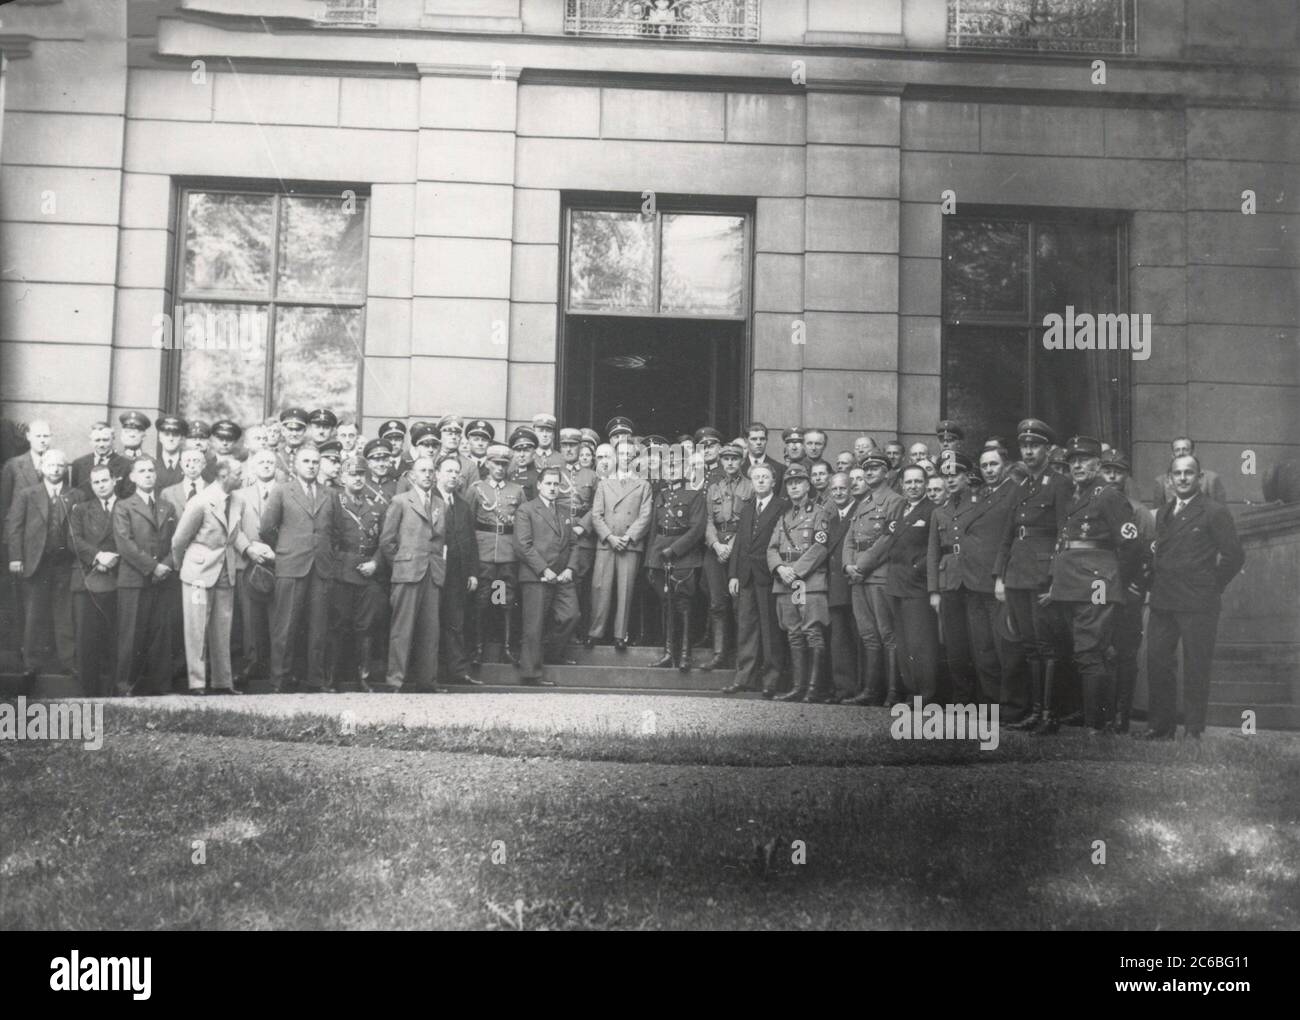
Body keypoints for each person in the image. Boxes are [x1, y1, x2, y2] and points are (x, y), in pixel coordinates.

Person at [1044, 436, 1144, 735]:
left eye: (1084, 460)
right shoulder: (1078, 495)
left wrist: (1116, 582)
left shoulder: (1108, 495)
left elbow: (1131, 543)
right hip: (1072, 584)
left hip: (1097, 584)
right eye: (1072, 461)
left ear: (1097, 464)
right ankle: (1089, 720)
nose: (1077, 466)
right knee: (1082, 650)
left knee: (1090, 650)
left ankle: (1094, 725)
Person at [1141, 453, 1244, 740]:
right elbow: (1157, 554)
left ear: (1199, 478)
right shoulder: (1163, 513)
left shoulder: (1213, 511)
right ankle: (1160, 727)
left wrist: (1212, 586)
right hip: (1163, 600)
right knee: (1158, 661)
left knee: (1196, 665)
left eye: (1189, 473)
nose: (1183, 478)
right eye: (1177, 473)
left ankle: (1193, 728)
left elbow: (1235, 556)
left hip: (1199, 602)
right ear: (1170, 479)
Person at [995, 419, 1072, 731]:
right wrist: (999, 575)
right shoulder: (1021, 486)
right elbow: (1008, 534)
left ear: (1048, 449)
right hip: (1016, 574)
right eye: (1024, 446)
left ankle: (1048, 715)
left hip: (1041, 574)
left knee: (1046, 645)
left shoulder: (1059, 484)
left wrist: (1055, 579)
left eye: (1035, 445)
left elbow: (1064, 533)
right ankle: (1034, 711)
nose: (1028, 451)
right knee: (1028, 645)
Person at [260, 444, 341, 693]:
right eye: (306, 461)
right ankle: (279, 680)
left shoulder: (330, 494)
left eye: (315, 462)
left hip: (321, 568)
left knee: (319, 627)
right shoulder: (282, 491)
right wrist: (287, 549)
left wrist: (323, 553)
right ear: (295, 464)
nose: (311, 466)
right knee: (285, 626)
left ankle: (316, 680)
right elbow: (266, 529)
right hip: (291, 565)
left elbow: (336, 531)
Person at [172, 456, 256, 695]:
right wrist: (185, 569)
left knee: (222, 628)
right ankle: (197, 683)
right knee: (197, 628)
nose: (243, 477)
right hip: (198, 573)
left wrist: (248, 549)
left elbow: (235, 532)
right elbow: (179, 540)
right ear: (222, 476)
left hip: (225, 571)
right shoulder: (200, 502)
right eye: (238, 473)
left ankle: (222, 682)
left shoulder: (238, 500)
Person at [6, 449, 78, 685]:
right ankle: (31, 664)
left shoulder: (76, 495)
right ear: (42, 469)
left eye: (60, 465)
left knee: (64, 613)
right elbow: (14, 527)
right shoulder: (28, 494)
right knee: (34, 613)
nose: (55, 469)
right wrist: (15, 557)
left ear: (65, 469)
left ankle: (68, 662)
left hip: (65, 563)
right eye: (51, 465)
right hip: (36, 562)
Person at [378, 455, 447, 693]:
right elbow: (387, 541)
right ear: (412, 475)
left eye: (431, 471)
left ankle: (427, 682)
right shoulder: (400, 501)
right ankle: (395, 681)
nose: (428, 474)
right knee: (402, 629)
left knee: (431, 631)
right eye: (423, 471)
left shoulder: (439, 503)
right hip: (407, 572)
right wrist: (401, 562)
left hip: (432, 572)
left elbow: (440, 540)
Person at [112, 457, 178, 696]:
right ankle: (125, 687)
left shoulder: (166, 506)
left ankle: (163, 688)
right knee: (131, 636)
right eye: (142, 471)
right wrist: (153, 567)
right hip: (135, 580)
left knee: (162, 634)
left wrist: (167, 565)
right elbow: (125, 544)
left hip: (162, 580)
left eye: (151, 470)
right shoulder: (123, 506)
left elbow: (176, 542)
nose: (148, 474)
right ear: (132, 477)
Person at [843, 452, 905, 705]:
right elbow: (849, 537)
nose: (869, 473)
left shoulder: (895, 500)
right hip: (857, 576)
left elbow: (888, 539)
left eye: (876, 468)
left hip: (878, 574)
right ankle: (871, 691)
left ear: (887, 472)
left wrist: (861, 564)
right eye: (866, 469)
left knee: (887, 633)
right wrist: (848, 564)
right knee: (868, 633)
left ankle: (892, 691)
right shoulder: (862, 502)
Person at [1100, 449, 1155, 732]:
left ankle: (1122, 715)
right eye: (1107, 469)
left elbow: (1148, 554)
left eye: (1117, 471)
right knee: (1099, 650)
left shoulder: (1139, 511)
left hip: (1127, 593)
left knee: (1125, 653)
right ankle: (1101, 713)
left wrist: (1137, 586)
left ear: (1125, 475)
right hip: (1100, 591)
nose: (1111, 475)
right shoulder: (1095, 505)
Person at [768, 464, 832, 702]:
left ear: (808, 485)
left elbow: (820, 547)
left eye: (799, 482)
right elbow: (772, 548)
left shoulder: (819, 513)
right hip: (787, 582)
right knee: (793, 633)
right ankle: (798, 687)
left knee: (812, 631)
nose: (794, 486)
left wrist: (795, 572)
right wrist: (779, 568)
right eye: (790, 483)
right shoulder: (784, 517)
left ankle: (814, 688)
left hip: (808, 582)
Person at [514, 465, 582, 686]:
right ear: (539, 485)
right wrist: (544, 569)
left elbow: (573, 544)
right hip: (536, 576)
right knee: (533, 626)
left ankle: (552, 654)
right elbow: (523, 546)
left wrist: (570, 569)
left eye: (557, 484)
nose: (553, 488)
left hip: (562, 577)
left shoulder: (564, 513)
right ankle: (530, 673)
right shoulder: (527, 509)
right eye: (549, 484)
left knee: (571, 615)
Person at [724, 464, 786, 697]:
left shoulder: (782, 507)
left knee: (770, 630)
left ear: (773, 482)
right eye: (756, 477)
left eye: (765, 477)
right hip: (746, 576)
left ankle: (771, 680)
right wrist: (733, 575)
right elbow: (739, 544)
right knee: (746, 628)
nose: (760, 481)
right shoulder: (748, 508)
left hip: (769, 575)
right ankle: (744, 678)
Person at [644, 442, 706, 672]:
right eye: (667, 466)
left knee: (684, 606)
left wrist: (676, 549)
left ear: (685, 469)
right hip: (660, 556)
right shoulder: (660, 495)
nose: (671, 470)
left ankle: (685, 655)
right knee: (666, 605)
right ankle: (668, 653)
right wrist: (650, 561)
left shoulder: (694, 495)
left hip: (684, 557)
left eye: (676, 465)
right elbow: (653, 529)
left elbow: (697, 529)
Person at [588, 437, 652, 652]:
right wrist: (610, 536)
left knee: (625, 591)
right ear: (616, 457)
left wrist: (629, 537)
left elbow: (645, 515)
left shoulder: (643, 485)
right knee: (600, 588)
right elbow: (596, 515)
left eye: (629, 454)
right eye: (622, 454)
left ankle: (620, 635)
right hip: (607, 543)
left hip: (629, 544)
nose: (625, 458)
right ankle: (595, 632)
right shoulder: (604, 483)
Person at [331, 455, 387, 691]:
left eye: (361, 474)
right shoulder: (335, 502)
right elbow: (329, 539)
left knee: (366, 627)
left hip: (369, 573)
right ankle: (332, 677)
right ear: (343, 477)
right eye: (352, 474)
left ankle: (362, 676)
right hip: (343, 571)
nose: (357, 478)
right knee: (339, 624)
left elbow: (385, 541)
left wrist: (375, 563)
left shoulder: (377, 505)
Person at [886, 464, 939, 704]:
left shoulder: (932, 511)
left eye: (918, 481)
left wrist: (919, 569)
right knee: (904, 642)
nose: (913, 486)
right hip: (897, 583)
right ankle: (911, 691)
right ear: (902, 485)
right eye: (908, 482)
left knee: (921, 642)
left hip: (917, 585)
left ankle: (926, 694)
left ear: (926, 484)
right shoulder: (899, 509)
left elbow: (934, 550)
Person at [468, 444, 525, 665]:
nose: (500, 468)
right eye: (495, 464)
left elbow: (523, 521)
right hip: (484, 554)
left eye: (503, 464)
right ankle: (478, 649)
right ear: (488, 464)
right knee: (482, 600)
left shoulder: (516, 491)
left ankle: (506, 648)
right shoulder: (477, 489)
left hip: (506, 556)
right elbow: (468, 521)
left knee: (503, 599)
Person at [700, 442, 752, 670]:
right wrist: (715, 544)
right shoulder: (714, 488)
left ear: (742, 461)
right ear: (721, 461)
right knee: (717, 603)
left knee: (739, 603)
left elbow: (749, 521)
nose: (730, 462)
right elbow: (708, 520)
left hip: (739, 547)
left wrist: (732, 544)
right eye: (726, 459)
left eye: (735, 458)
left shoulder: (750, 487)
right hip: (716, 547)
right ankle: (719, 653)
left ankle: (742, 656)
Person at [69, 464, 119, 696]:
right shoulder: (81, 509)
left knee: (115, 636)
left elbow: (132, 538)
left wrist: (113, 558)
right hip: (86, 579)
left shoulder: (126, 506)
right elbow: (73, 539)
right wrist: (98, 556)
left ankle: (114, 693)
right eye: (96, 482)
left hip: (118, 578)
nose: (101, 485)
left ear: (114, 481)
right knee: (87, 637)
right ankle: (89, 694)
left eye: (105, 480)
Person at [432, 455, 480, 686]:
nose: (452, 476)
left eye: (456, 472)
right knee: (431, 621)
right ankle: (430, 671)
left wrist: (472, 572)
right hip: (432, 571)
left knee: (455, 622)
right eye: (448, 471)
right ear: (437, 474)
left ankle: (458, 671)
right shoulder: (428, 499)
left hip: (457, 574)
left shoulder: (462, 504)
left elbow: (470, 540)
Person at [236, 449, 278, 688]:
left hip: (276, 562)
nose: (265, 465)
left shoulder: (286, 491)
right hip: (249, 561)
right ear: (252, 467)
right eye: (260, 462)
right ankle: (252, 664)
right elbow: (233, 527)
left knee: (276, 615)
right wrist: (249, 549)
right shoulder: (240, 495)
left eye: (270, 462)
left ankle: (276, 668)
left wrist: (275, 552)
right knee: (250, 617)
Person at [556, 428, 599, 645]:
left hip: (583, 538)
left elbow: (598, 505)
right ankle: (562, 632)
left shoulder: (591, 475)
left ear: (580, 447)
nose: (569, 449)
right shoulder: (553, 472)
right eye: (565, 446)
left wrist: (583, 526)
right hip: (560, 534)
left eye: (573, 445)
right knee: (562, 581)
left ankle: (580, 632)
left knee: (580, 582)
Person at [823, 471, 859, 703]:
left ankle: (860, 688)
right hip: (835, 587)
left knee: (858, 638)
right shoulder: (830, 518)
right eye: (834, 489)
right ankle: (843, 688)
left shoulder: (860, 512)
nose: (838, 493)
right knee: (839, 639)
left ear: (851, 489)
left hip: (855, 583)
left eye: (842, 489)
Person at [1152, 437, 1227, 507]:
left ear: (1193, 453)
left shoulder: (1211, 479)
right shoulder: (1161, 481)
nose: (1181, 453)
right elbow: (1158, 514)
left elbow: (1220, 512)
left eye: (1185, 449)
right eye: (1177, 450)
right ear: (1172, 455)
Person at [70, 421, 132, 499]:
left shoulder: (126, 465)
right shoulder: (78, 464)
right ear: (91, 441)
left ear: (113, 439)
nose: (101, 445)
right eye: (97, 440)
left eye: (105, 440)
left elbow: (127, 498)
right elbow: (75, 495)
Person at [741, 421, 784, 489]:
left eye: (762, 439)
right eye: (754, 439)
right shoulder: (739, 467)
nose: (758, 442)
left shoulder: (780, 469)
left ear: (766, 440)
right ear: (746, 441)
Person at [153, 416, 190, 490]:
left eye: (175, 435)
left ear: (181, 438)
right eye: (166, 434)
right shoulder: (151, 466)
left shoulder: (189, 465)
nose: (171, 439)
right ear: (160, 437)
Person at [508, 426, 541, 500]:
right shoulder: (510, 475)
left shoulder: (538, 477)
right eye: (518, 451)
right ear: (514, 453)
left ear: (534, 454)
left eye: (526, 450)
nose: (521, 455)